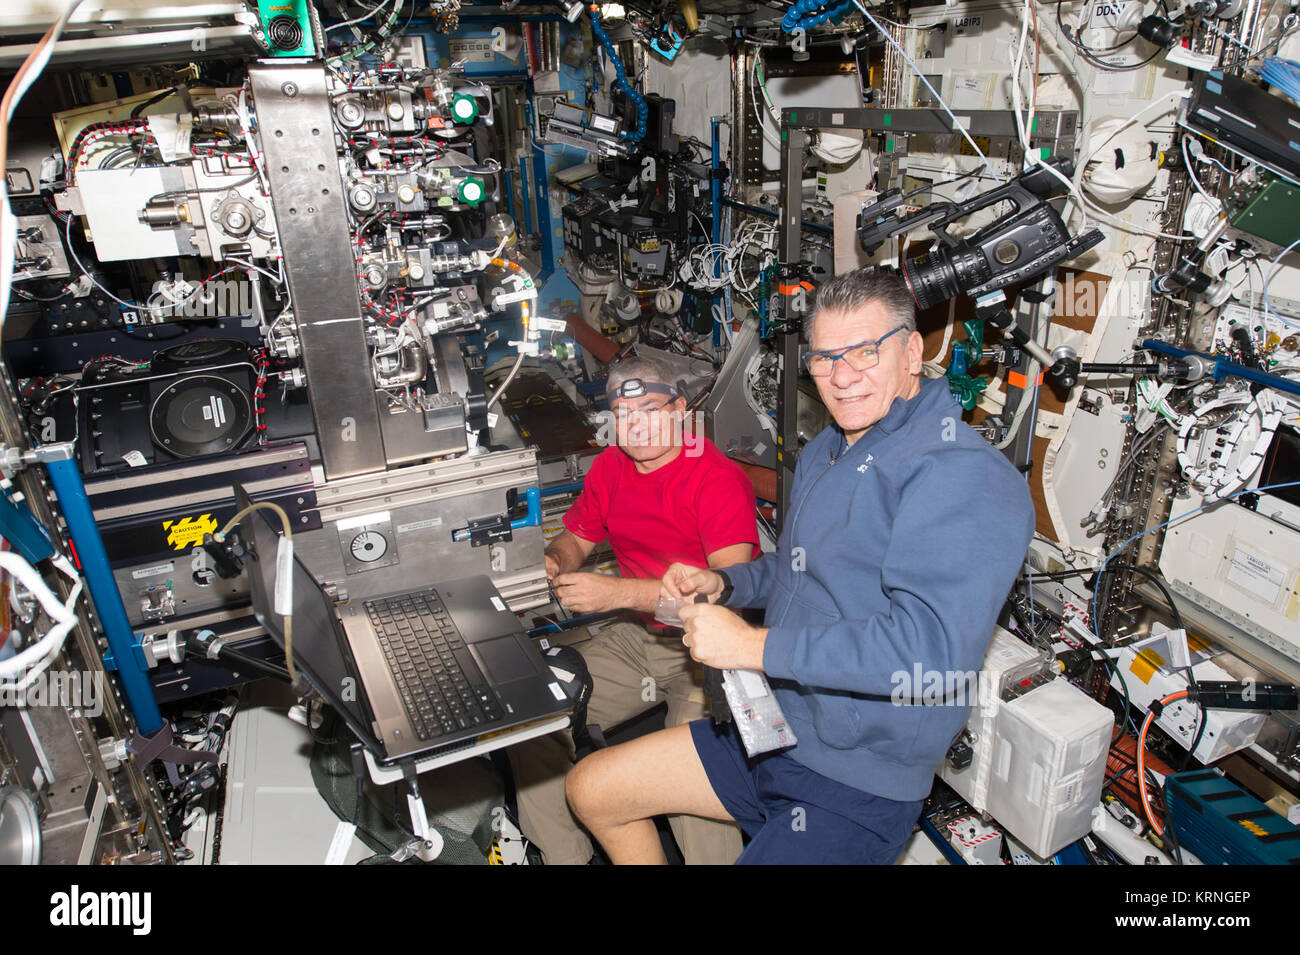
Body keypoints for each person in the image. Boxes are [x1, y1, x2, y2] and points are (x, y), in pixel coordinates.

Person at [565, 268, 1037, 864]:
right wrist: (728, 582)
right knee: (594, 789)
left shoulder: (960, 475)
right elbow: (797, 571)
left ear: (913, 351)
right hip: (771, 726)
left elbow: (930, 656)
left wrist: (753, 648)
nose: (841, 377)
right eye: (824, 357)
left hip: (854, 778)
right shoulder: (830, 447)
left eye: (865, 352)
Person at [507, 354, 757, 864]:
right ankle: (565, 857)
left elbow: (731, 590)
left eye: (651, 408)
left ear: (682, 410)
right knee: (535, 724)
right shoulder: (610, 468)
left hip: (706, 652)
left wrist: (617, 594)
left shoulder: (716, 478)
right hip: (639, 639)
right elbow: (576, 536)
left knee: (690, 783)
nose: (636, 424)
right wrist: (555, 561)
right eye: (624, 413)